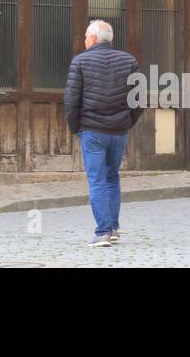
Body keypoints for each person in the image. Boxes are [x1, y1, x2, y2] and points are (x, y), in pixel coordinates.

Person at [64, 19, 141, 248]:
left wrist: (75, 127)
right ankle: (114, 228)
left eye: (87, 37)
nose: (84, 41)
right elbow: (138, 99)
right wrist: (127, 122)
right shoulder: (129, 61)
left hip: (92, 131)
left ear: (94, 39)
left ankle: (103, 232)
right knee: (112, 178)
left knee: (97, 180)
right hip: (118, 131)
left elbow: (71, 101)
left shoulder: (80, 62)